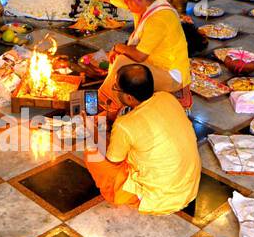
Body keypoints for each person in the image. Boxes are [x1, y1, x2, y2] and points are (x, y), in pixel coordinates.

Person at [51, 0, 190, 114]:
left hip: (171, 75)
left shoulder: (159, 18)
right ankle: (109, 100)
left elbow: (139, 56)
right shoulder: (147, 3)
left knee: (123, 63)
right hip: (155, 63)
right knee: (120, 59)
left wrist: (118, 47)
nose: (125, 1)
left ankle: (102, 105)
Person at [83, 64, 200, 215]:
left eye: (116, 88)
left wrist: (91, 129)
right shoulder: (166, 97)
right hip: (188, 187)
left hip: (159, 198)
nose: (114, 89)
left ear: (129, 97)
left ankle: (124, 195)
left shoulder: (124, 125)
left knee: (92, 154)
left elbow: (113, 161)